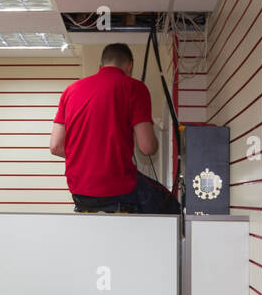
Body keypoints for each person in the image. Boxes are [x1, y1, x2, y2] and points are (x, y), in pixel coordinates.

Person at [50, 43, 179, 214]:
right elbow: (147, 147)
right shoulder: (134, 87)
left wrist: (87, 154)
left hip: (80, 192)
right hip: (119, 190)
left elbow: (56, 147)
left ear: (100, 66)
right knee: (170, 204)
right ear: (129, 66)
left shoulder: (70, 91)